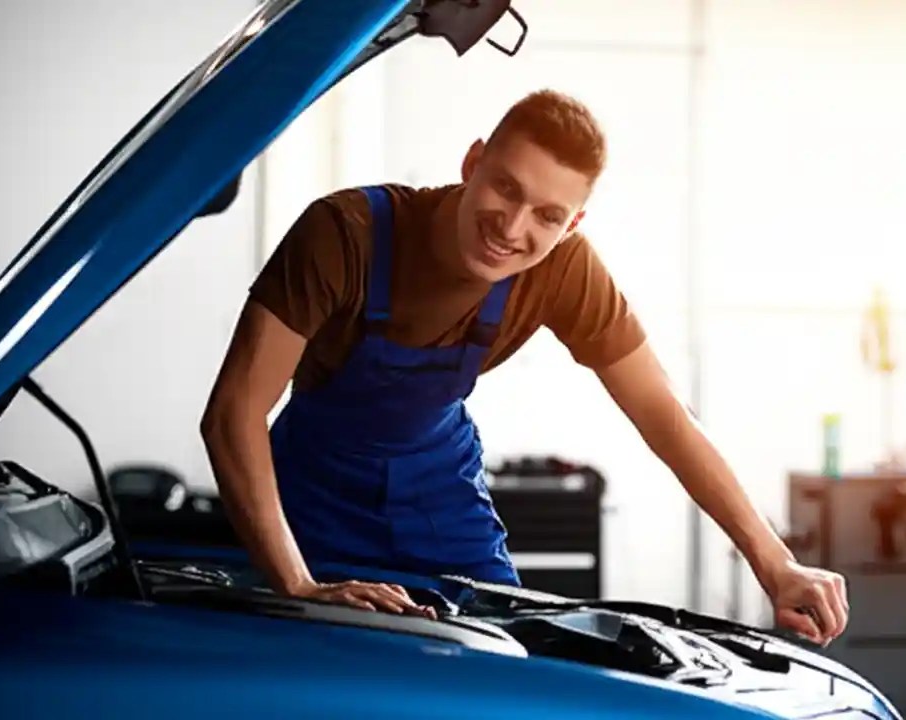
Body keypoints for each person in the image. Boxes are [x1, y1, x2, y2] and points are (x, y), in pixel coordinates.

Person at [200, 89, 849, 645]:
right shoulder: (344, 236)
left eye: (547, 215)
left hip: (440, 493)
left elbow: (662, 413)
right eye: (505, 188)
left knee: (497, 666)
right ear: (474, 162)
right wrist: (299, 584)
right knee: (326, 676)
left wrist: (775, 562)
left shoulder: (566, 268)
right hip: (313, 492)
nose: (511, 228)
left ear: (573, 224)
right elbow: (234, 411)